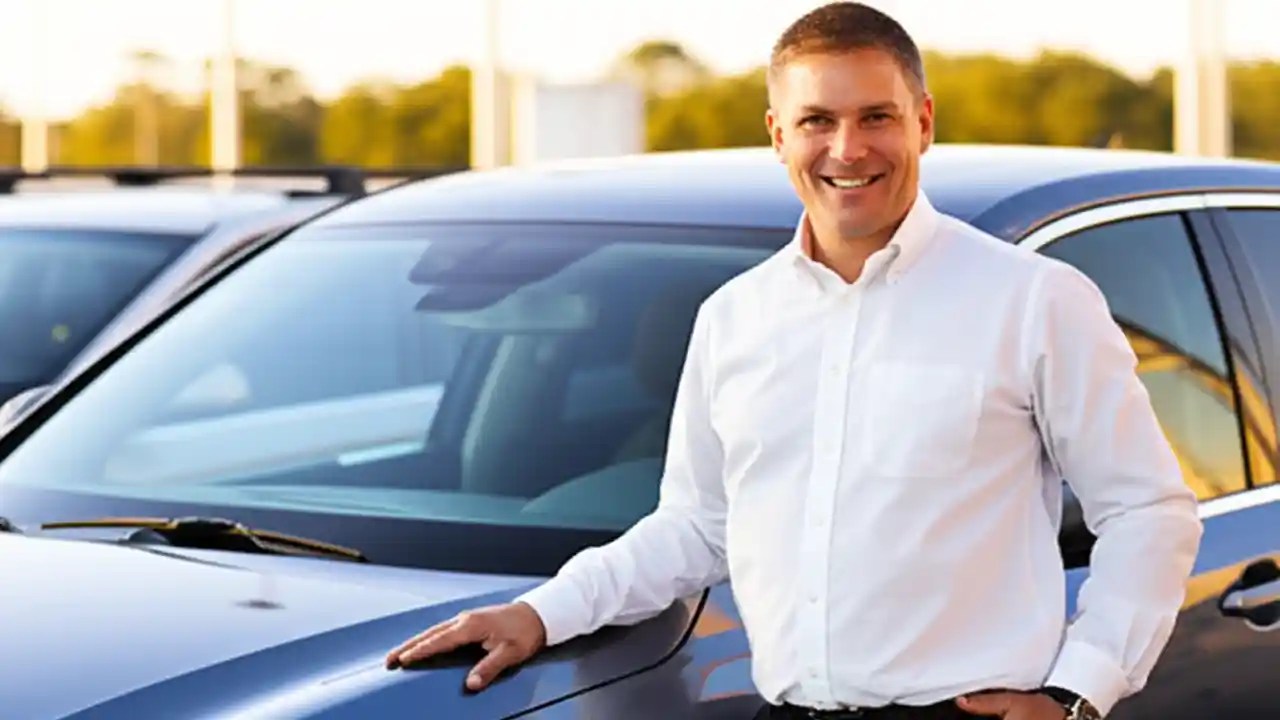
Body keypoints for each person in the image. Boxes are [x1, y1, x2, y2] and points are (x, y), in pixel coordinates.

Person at [385, 3, 1204, 719]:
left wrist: (1076, 694)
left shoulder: (1034, 300)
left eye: (876, 117)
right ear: (778, 134)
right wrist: (542, 613)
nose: (848, 148)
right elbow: (697, 524)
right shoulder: (734, 318)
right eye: (817, 121)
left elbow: (1148, 511)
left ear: (923, 122)